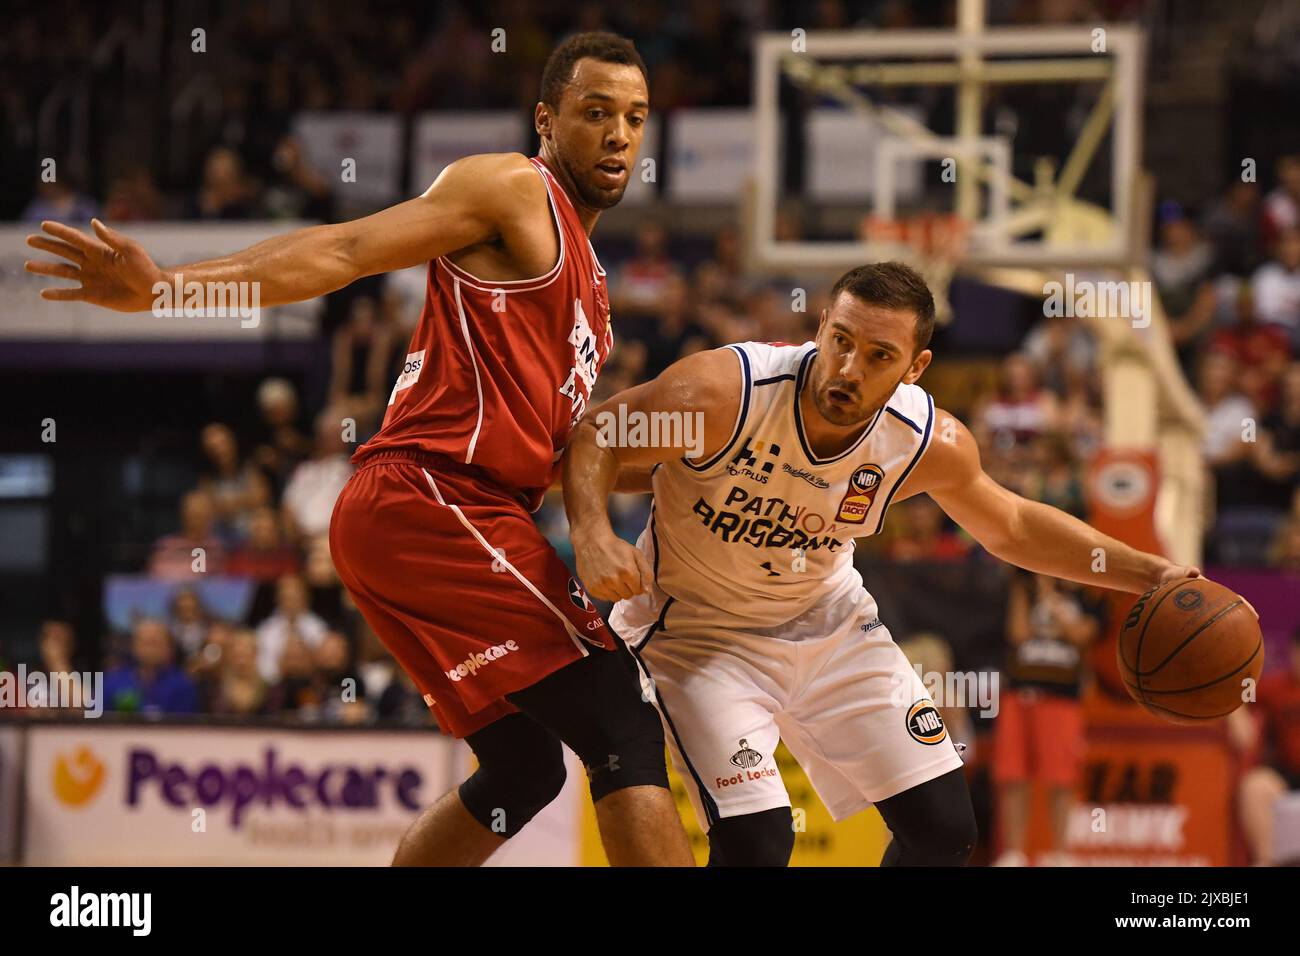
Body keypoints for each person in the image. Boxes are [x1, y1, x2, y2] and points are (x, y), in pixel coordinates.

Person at [24, 32, 691, 868]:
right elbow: (342, 251)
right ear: (547, 121)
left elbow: (560, 453)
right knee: (621, 718)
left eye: (634, 117)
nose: (620, 135)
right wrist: (168, 288)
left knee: (524, 771)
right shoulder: (514, 189)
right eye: (596, 114)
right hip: (432, 499)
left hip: (431, 516)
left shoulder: (592, 283)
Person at [562, 262, 1205, 866]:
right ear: (820, 326)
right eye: (841, 341)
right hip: (698, 634)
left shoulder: (926, 439)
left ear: (915, 367)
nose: (848, 368)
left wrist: (1148, 572)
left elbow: (1009, 525)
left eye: (879, 356)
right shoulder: (725, 391)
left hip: (830, 624)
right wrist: (590, 529)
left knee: (945, 832)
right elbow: (598, 436)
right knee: (757, 839)